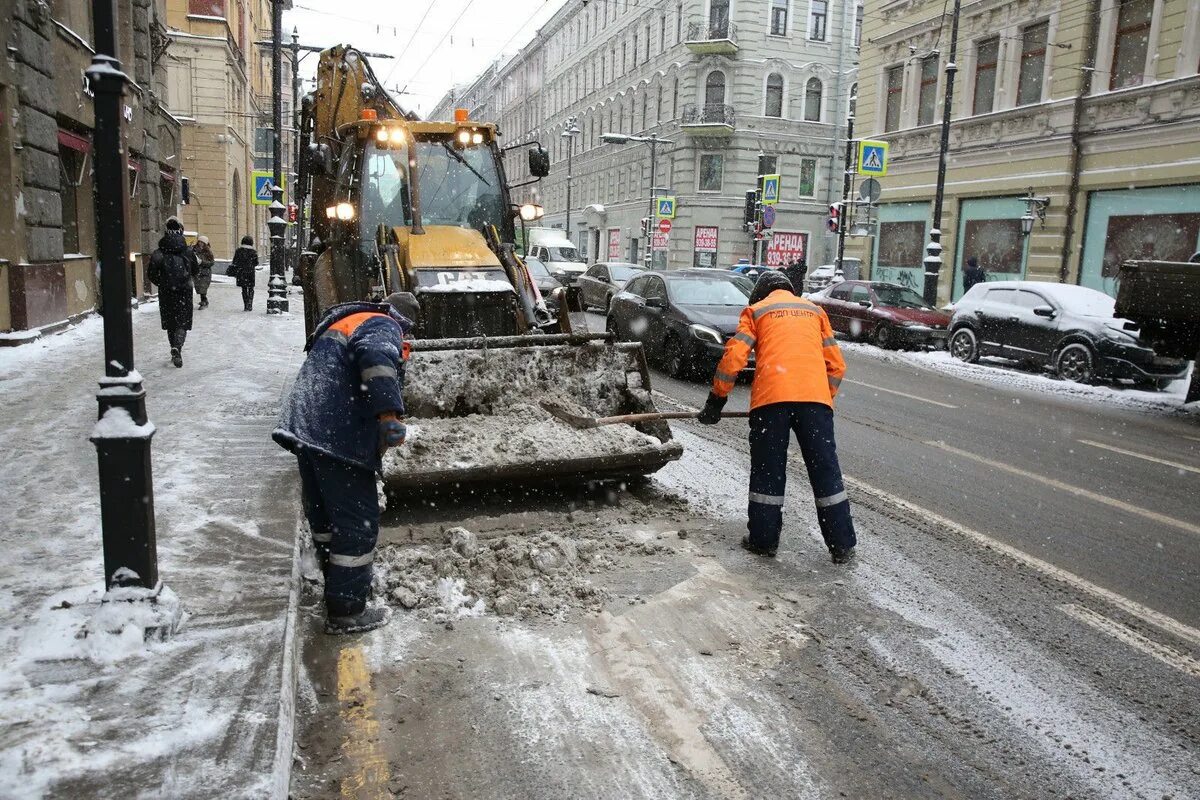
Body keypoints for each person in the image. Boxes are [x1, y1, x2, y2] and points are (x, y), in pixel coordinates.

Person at [272, 292, 418, 635]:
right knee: (357, 522)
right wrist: (388, 415)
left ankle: (334, 585)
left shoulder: (348, 320)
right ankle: (347, 611)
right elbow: (377, 358)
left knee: (326, 517)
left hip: (307, 427)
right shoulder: (383, 324)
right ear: (405, 321)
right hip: (337, 432)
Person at [698, 270, 857, 564]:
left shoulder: (756, 311)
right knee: (826, 473)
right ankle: (842, 545)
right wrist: (820, 399)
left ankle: (763, 541)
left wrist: (716, 401)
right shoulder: (815, 311)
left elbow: (733, 359)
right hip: (815, 405)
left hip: (771, 403)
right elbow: (836, 366)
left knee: (768, 473)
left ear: (761, 293)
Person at [146, 217, 199, 368]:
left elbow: (151, 273)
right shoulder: (187, 251)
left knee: (170, 322)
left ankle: (173, 347)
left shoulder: (159, 252)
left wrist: (162, 282)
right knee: (182, 321)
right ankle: (178, 347)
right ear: (180, 231)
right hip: (184, 291)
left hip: (166, 292)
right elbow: (195, 270)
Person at [231, 235, 259, 311]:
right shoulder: (253, 252)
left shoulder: (238, 251)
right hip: (250, 273)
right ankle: (250, 303)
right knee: (251, 288)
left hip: (241, 272)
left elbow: (235, 262)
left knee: (244, 289)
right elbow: (256, 263)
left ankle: (246, 304)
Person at [193, 235, 214, 309]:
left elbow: (211, 263)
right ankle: (204, 300)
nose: (200, 243)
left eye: (202, 242)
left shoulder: (208, 251)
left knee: (203, 287)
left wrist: (202, 262)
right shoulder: (194, 249)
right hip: (197, 272)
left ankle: (204, 301)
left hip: (205, 272)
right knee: (198, 287)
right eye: (199, 241)